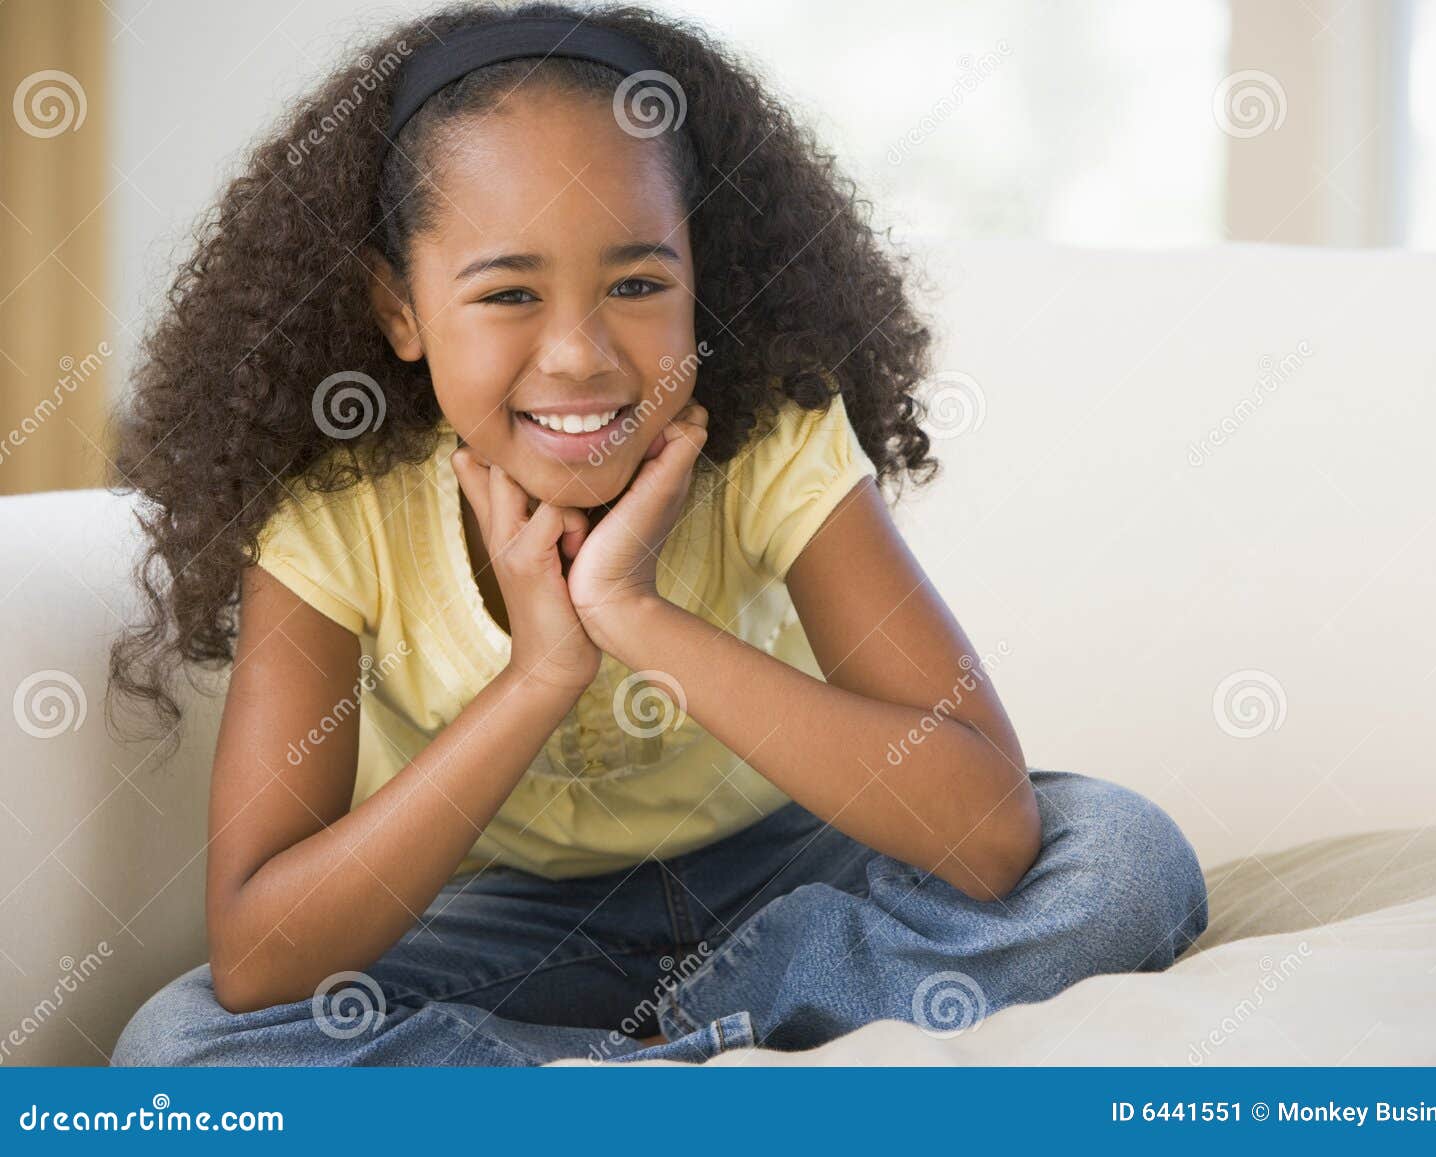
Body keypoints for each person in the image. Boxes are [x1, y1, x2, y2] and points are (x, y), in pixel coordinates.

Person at [106, 1, 1207, 1067]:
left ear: (700, 285)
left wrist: (632, 612)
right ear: (400, 309)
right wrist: (539, 675)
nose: (580, 354)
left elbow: (991, 832)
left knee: (1118, 860)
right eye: (506, 295)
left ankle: (606, 1070)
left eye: (637, 282)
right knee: (186, 1046)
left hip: (793, 879)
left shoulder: (773, 441)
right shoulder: (335, 513)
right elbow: (256, 958)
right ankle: (717, 1055)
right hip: (508, 931)